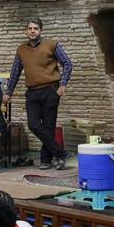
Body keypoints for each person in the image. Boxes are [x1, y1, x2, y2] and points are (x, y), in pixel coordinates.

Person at [4, 17, 73, 170]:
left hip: (51, 90)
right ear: (26, 31)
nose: (32, 31)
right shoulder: (21, 50)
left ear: (40, 30)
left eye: (35, 28)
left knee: (48, 126)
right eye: (30, 28)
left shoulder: (52, 44)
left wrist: (63, 84)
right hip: (32, 92)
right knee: (34, 125)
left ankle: (45, 160)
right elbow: (15, 72)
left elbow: (67, 63)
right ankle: (61, 153)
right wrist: (9, 91)